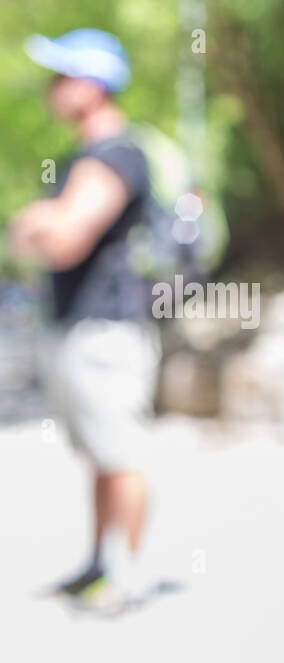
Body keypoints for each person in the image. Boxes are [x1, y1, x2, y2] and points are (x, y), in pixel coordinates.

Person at [7, 29, 160, 612]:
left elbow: (66, 239)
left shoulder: (114, 155)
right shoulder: (83, 158)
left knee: (120, 454)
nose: (51, 88)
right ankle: (100, 562)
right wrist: (39, 223)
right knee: (98, 455)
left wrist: (35, 221)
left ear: (92, 85)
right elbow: (42, 235)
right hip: (80, 326)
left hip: (107, 329)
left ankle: (129, 575)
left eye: (62, 76)